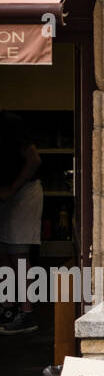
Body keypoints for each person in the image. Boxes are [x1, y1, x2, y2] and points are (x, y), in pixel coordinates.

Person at [0, 109, 42, 336]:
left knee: (18, 253)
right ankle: (8, 307)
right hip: (5, 193)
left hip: (24, 191)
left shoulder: (9, 123)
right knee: (3, 251)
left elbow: (34, 159)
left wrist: (12, 189)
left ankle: (27, 312)